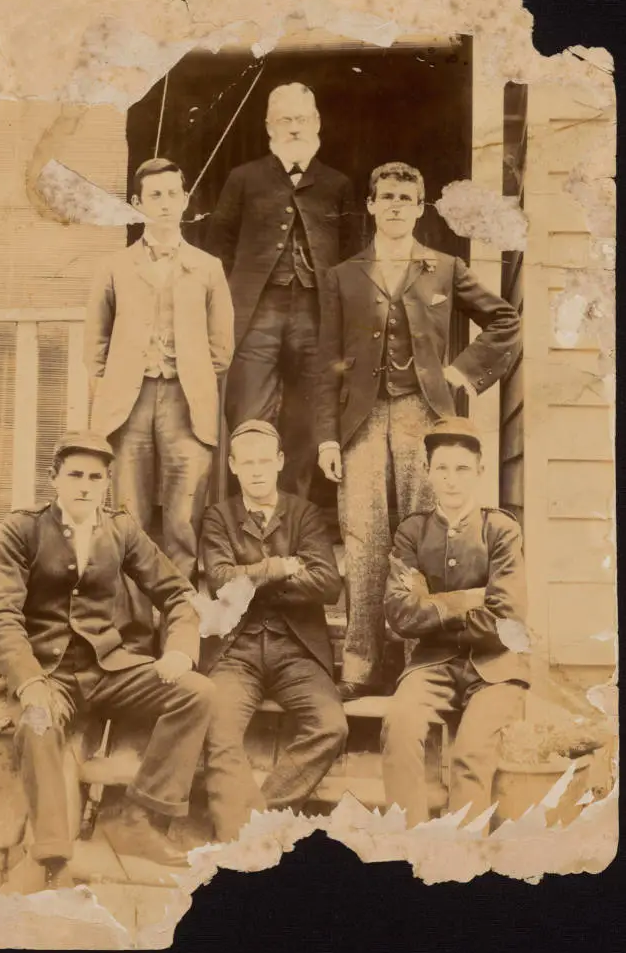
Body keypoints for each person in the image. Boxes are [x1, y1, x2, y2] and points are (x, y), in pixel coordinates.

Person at [316, 162, 521, 699]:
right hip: (358, 421)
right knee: (363, 538)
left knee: (418, 537)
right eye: (386, 197)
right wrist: (327, 437)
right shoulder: (343, 276)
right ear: (370, 205)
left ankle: (417, 661)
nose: (395, 206)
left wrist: (459, 372)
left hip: (422, 417)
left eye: (406, 198)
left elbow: (505, 320)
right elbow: (324, 360)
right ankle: (360, 664)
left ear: (421, 206)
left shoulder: (445, 267)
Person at [0, 431, 215, 891]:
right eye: (75, 475)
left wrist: (181, 649)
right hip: (48, 672)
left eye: (95, 477)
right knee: (36, 720)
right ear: (54, 479)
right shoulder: (23, 529)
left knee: (197, 693)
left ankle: (138, 820)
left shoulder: (121, 529)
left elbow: (178, 594)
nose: (85, 486)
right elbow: (1, 617)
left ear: (107, 483)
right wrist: (27, 680)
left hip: (108, 669)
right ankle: (50, 852)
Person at [84, 158, 234, 629]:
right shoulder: (114, 267)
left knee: (183, 517)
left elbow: (221, 348)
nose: (165, 204)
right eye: (155, 196)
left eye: (173, 194)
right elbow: (96, 347)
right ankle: (132, 627)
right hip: (128, 403)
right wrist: (123, 381)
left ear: (185, 200)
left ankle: (180, 623)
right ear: (137, 204)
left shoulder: (207, 268)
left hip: (186, 404)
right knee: (128, 513)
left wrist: (184, 374)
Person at [206, 83, 359, 497]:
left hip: (316, 315)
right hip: (256, 314)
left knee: (307, 416)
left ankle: (292, 513)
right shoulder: (244, 179)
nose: (295, 127)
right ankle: (248, 513)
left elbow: (352, 254)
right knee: (248, 409)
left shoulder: (337, 184)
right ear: (270, 126)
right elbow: (217, 244)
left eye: (302, 119)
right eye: (285, 120)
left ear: (317, 123)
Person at [200, 420, 347, 842]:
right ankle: (237, 842)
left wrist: (254, 583)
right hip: (237, 649)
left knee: (330, 726)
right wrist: (281, 567)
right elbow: (222, 583)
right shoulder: (218, 517)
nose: (258, 470)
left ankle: (258, 824)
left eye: (266, 460)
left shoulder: (305, 514)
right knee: (218, 727)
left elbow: (328, 584)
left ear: (281, 462)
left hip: (295, 647)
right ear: (232, 466)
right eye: (248, 462)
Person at [380, 416, 529, 828]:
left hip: (496, 668)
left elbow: (507, 619)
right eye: (441, 468)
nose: (452, 480)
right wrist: (468, 600)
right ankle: (407, 848)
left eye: (463, 468)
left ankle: (461, 862)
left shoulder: (500, 530)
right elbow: (398, 614)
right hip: (433, 663)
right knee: (401, 721)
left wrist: (432, 604)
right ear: (428, 473)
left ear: (480, 472)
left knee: (469, 754)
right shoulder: (413, 532)